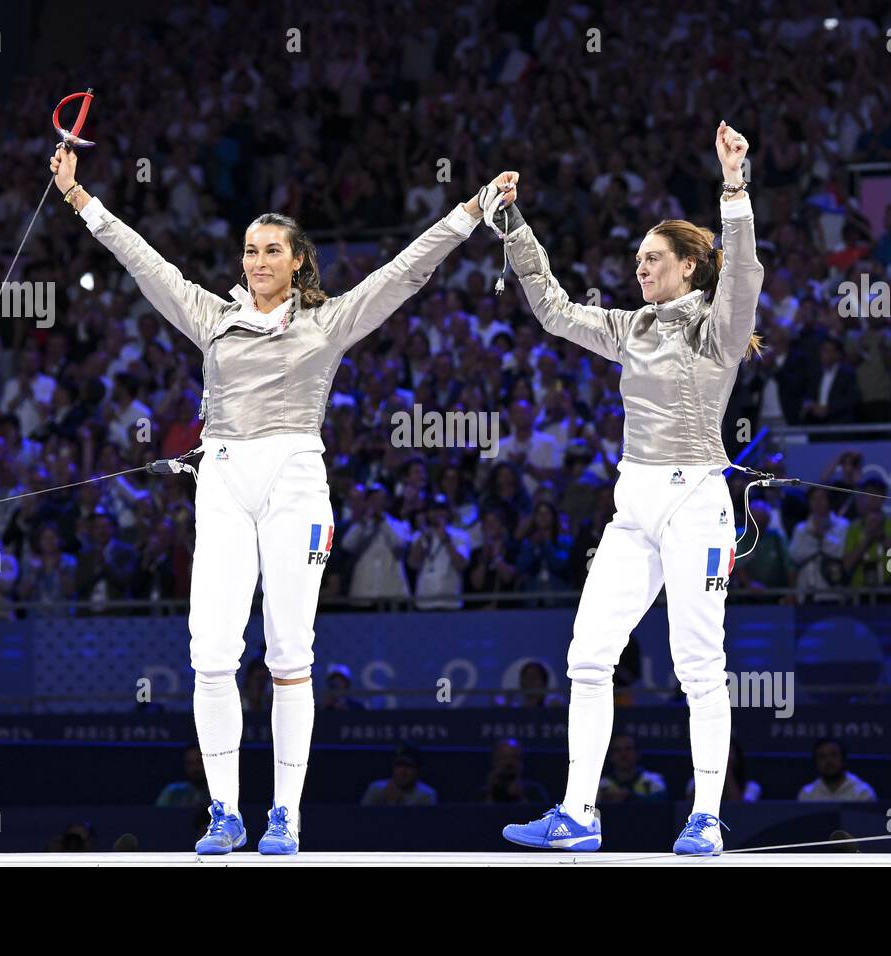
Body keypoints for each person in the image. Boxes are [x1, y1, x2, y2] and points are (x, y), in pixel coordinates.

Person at [52, 141, 517, 856]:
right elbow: (147, 266)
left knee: (288, 654)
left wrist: (467, 212)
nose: (257, 261)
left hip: (296, 478)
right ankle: (224, 813)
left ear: (298, 259)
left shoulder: (326, 323)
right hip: (224, 480)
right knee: (210, 653)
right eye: (249, 250)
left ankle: (285, 816)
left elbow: (403, 273)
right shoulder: (214, 318)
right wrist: (84, 203)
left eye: (272, 250)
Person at [502, 123, 764, 855]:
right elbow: (554, 309)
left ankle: (707, 816)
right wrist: (514, 227)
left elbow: (742, 274)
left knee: (696, 662)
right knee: (588, 655)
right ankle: (578, 813)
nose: (640, 269)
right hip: (633, 505)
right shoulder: (629, 327)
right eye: (638, 259)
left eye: (653, 260)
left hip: (695, 505)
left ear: (687, 267)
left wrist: (734, 188)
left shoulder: (716, 328)